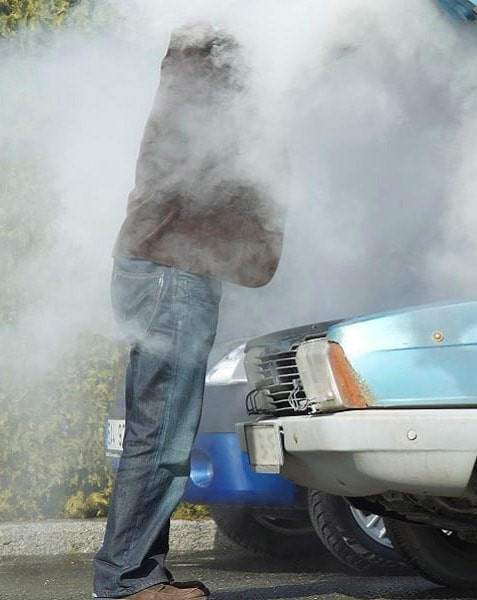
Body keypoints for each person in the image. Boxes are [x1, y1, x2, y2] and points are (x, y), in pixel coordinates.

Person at [93, 23, 285, 600]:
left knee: (156, 435)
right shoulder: (210, 61)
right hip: (172, 278)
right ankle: (127, 580)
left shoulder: (192, 63)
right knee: (162, 439)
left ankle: (136, 572)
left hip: (164, 271)